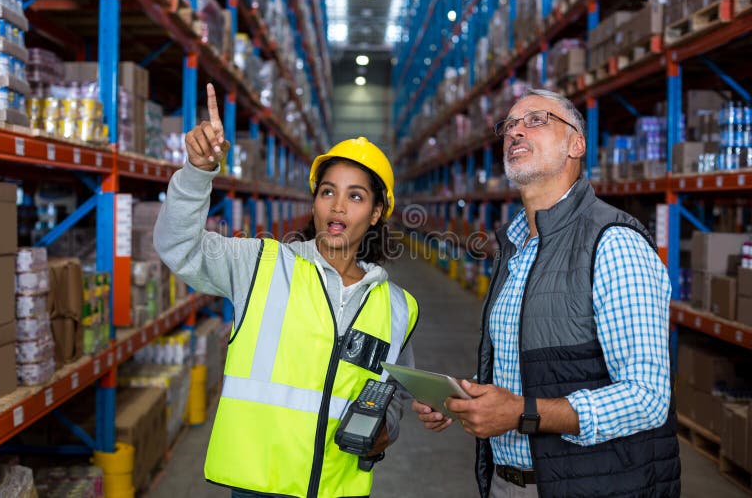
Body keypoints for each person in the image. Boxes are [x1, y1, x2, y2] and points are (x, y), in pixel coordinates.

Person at [154, 83, 420, 498]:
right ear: (314, 201)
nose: (337, 207)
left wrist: (387, 428)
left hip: (338, 487)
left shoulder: (398, 307)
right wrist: (196, 174)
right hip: (259, 486)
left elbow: (395, 391)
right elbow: (178, 246)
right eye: (327, 191)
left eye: (355, 196)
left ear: (377, 212)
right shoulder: (260, 265)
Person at [412, 88, 680, 497]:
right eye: (510, 125)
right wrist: (468, 400)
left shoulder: (612, 242)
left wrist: (522, 413)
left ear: (577, 144)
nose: (517, 132)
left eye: (537, 120)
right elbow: (526, 373)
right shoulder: (515, 248)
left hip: (596, 487)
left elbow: (646, 398)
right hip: (508, 483)